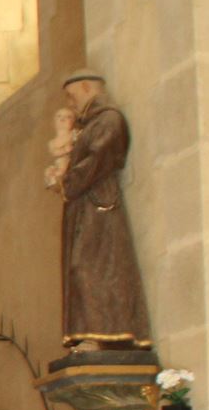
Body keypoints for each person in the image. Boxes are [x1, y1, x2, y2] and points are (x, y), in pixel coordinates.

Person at [57, 70, 152, 351]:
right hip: (85, 209)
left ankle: (104, 334)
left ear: (87, 87)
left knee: (91, 268)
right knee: (80, 269)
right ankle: (92, 333)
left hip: (100, 208)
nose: (71, 104)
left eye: (72, 96)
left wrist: (68, 183)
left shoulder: (109, 120)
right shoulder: (88, 126)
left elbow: (100, 157)